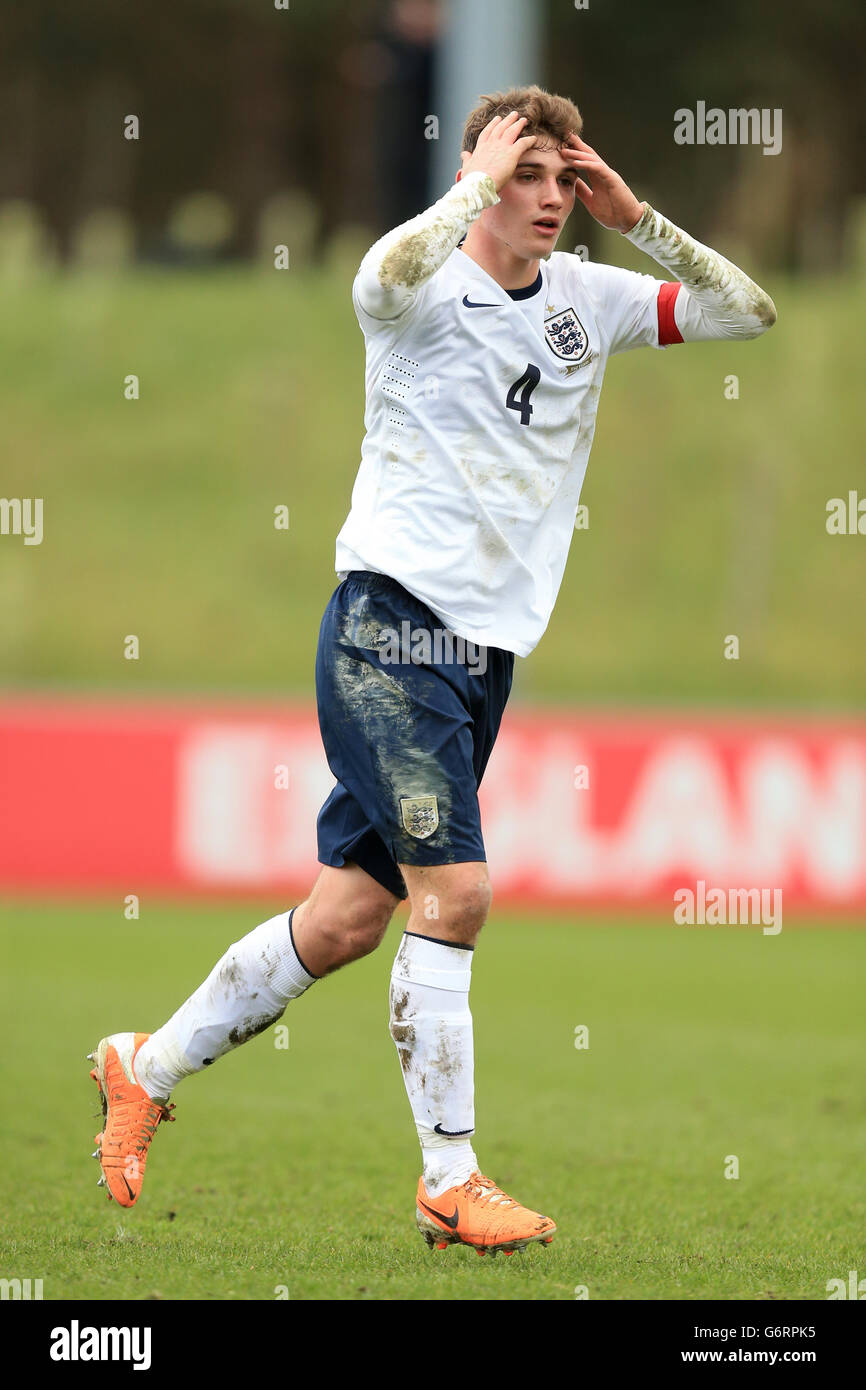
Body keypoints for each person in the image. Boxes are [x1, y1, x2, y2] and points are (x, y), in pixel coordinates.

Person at [89, 85, 776, 1257]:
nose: (548, 199)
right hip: (387, 633)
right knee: (454, 894)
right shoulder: (413, 292)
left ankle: (140, 1067)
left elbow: (747, 313)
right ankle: (448, 1182)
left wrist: (639, 215)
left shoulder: (589, 299)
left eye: (562, 178)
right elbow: (376, 273)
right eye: (526, 174)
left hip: (481, 657)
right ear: (476, 174)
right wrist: (473, 183)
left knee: (352, 915)